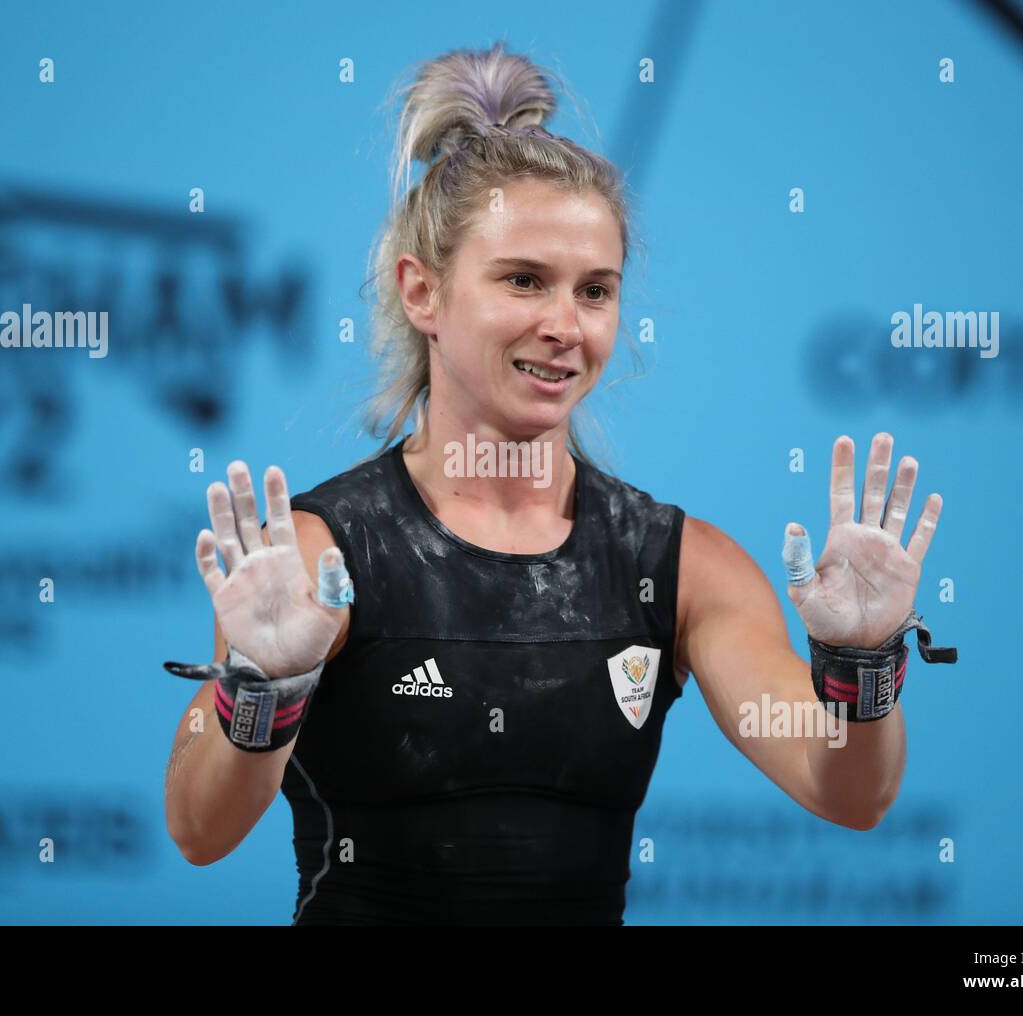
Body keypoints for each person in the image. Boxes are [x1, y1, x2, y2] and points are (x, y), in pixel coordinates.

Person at [160, 42, 956, 926]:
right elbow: (198, 828)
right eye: (524, 281)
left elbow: (847, 790)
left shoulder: (684, 565)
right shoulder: (322, 558)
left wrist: (862, 666)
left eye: (595, 291)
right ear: (421, 292)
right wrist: (259, 688)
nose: (563, 326)